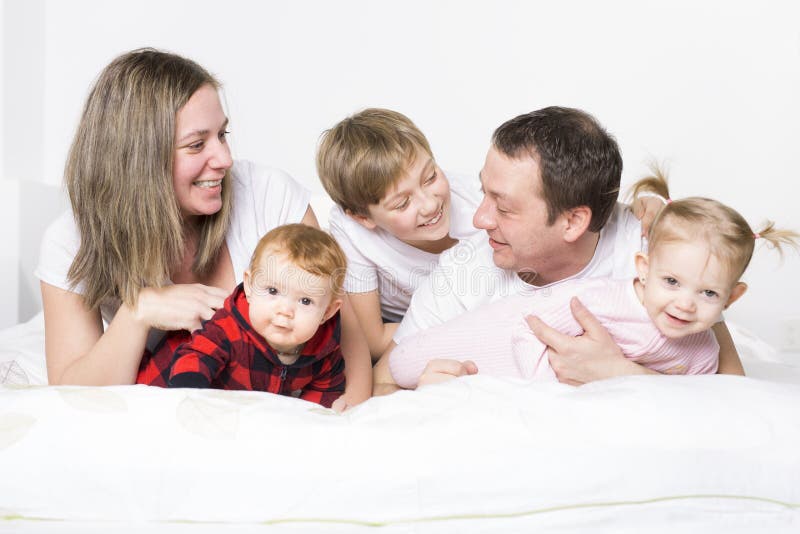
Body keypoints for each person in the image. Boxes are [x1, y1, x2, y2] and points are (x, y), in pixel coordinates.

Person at [35, 48, 371, 408]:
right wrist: (138, 312)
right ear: (138, 160)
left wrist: (341, 421)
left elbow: (345, 339)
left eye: (222, 135)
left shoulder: (267, 195)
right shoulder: (71, 242)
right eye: (197, 144)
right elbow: (70, 396)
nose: (225, 159)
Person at [373, 106, 745, 393]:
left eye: (503, 207)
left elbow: (734, 390)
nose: (479, 219)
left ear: (573, 222)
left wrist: (622, 375)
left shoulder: (657, 258)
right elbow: (386, 377)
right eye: (483, 193)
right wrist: (421, 399)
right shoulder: (464, 270)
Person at [388, 170, 799, 387]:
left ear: (730, 298)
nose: (686, 303)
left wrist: (622, 375)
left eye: (708, 293)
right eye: (672, 283)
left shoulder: (697, 328)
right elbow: (517, 333)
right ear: (643, 268)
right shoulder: (598, 300)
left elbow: (725, 393)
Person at [317, 108, 482, 359]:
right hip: (402, 323)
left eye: (430, 177)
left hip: (472, 313)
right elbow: (374, 341)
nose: (429, 205)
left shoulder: (480, 205)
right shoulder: (352, 230)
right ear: (363, 217)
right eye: (402, 204)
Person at [166, 225, 349, 408]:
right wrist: (193, 401)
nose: (285, 310)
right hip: (167, 389)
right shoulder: (227, 328)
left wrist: (301, 422)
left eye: (305, 301)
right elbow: (194, 358)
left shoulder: (325, 351)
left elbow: (326, 390)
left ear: (328, 312)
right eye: (273, 291)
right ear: (250, 286)